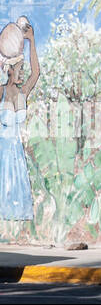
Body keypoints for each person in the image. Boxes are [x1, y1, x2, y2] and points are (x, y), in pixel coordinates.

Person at [0, 20, 39, 221]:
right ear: (9, 70)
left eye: (23, 68)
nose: (23, 73)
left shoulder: (23, 92)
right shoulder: (2, 92)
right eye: (20, 68)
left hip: (17, 155)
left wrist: (31, 40)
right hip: (2, 155)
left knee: (17, 209)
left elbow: (36, 73)